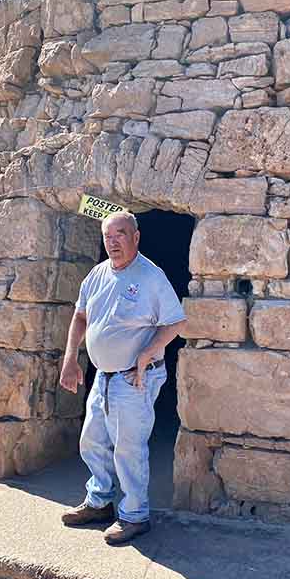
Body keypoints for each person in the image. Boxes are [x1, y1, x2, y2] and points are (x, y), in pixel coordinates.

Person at [59, 210, 187, 545]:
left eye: (120, 234)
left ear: (136, 237)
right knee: (92, 440)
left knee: (128, 448)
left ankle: (134, 516)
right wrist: (71, 358)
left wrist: (149, 352)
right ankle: (100, 501)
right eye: (108, 236)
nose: (113, 242)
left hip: (135, 378)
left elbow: (175, 322)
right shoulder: (98, 273)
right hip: (103, 376)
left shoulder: (151, 276)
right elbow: (80, 315)